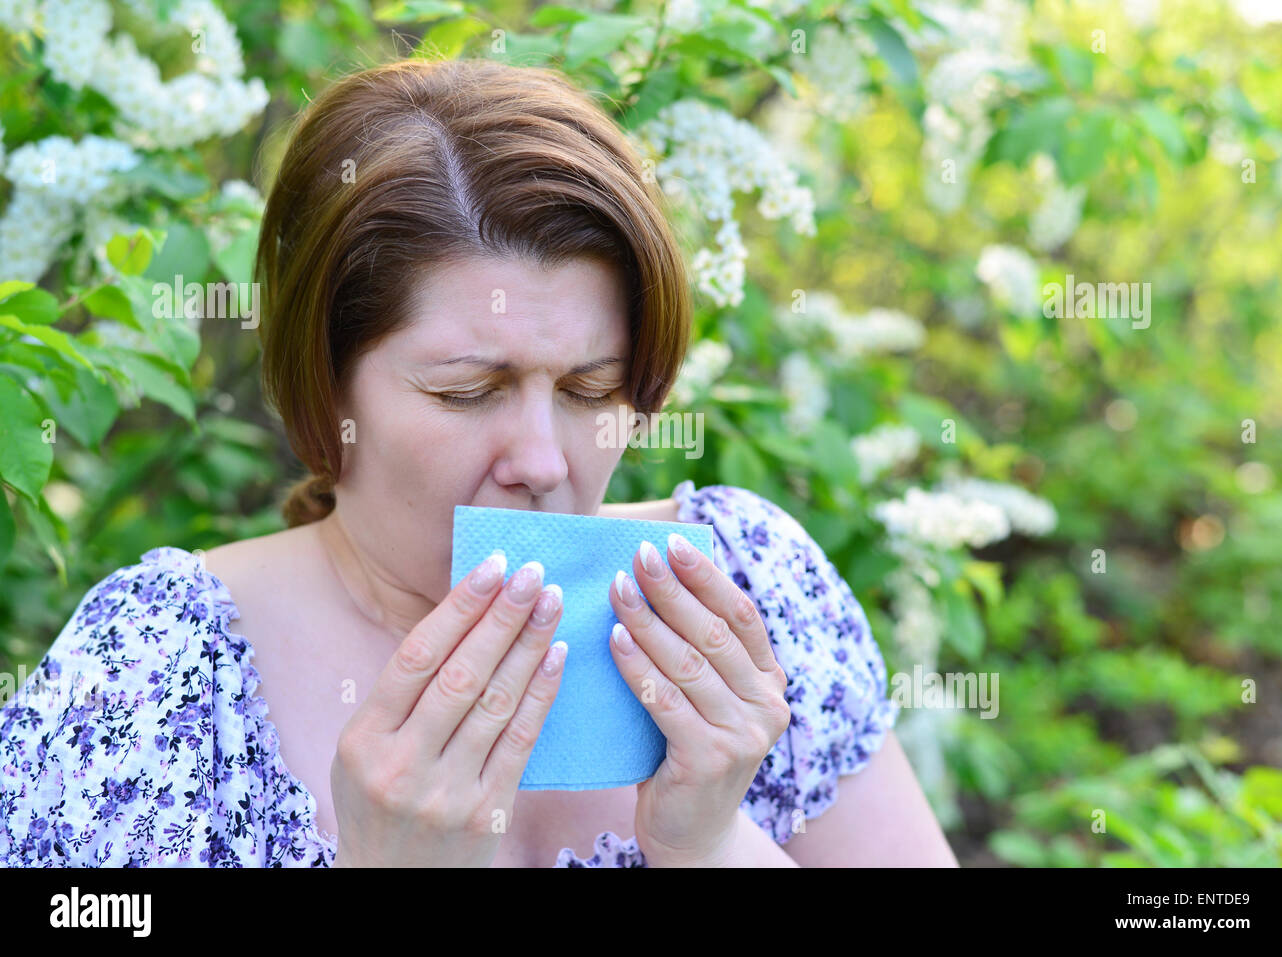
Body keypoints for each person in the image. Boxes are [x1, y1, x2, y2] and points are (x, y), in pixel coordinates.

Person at [0, 57, 956, 868]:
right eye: (466, 391)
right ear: (325, 386)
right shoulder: (159, 673)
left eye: (592, 390)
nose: (543, 462)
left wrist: (711, 845)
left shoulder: (747, 590)